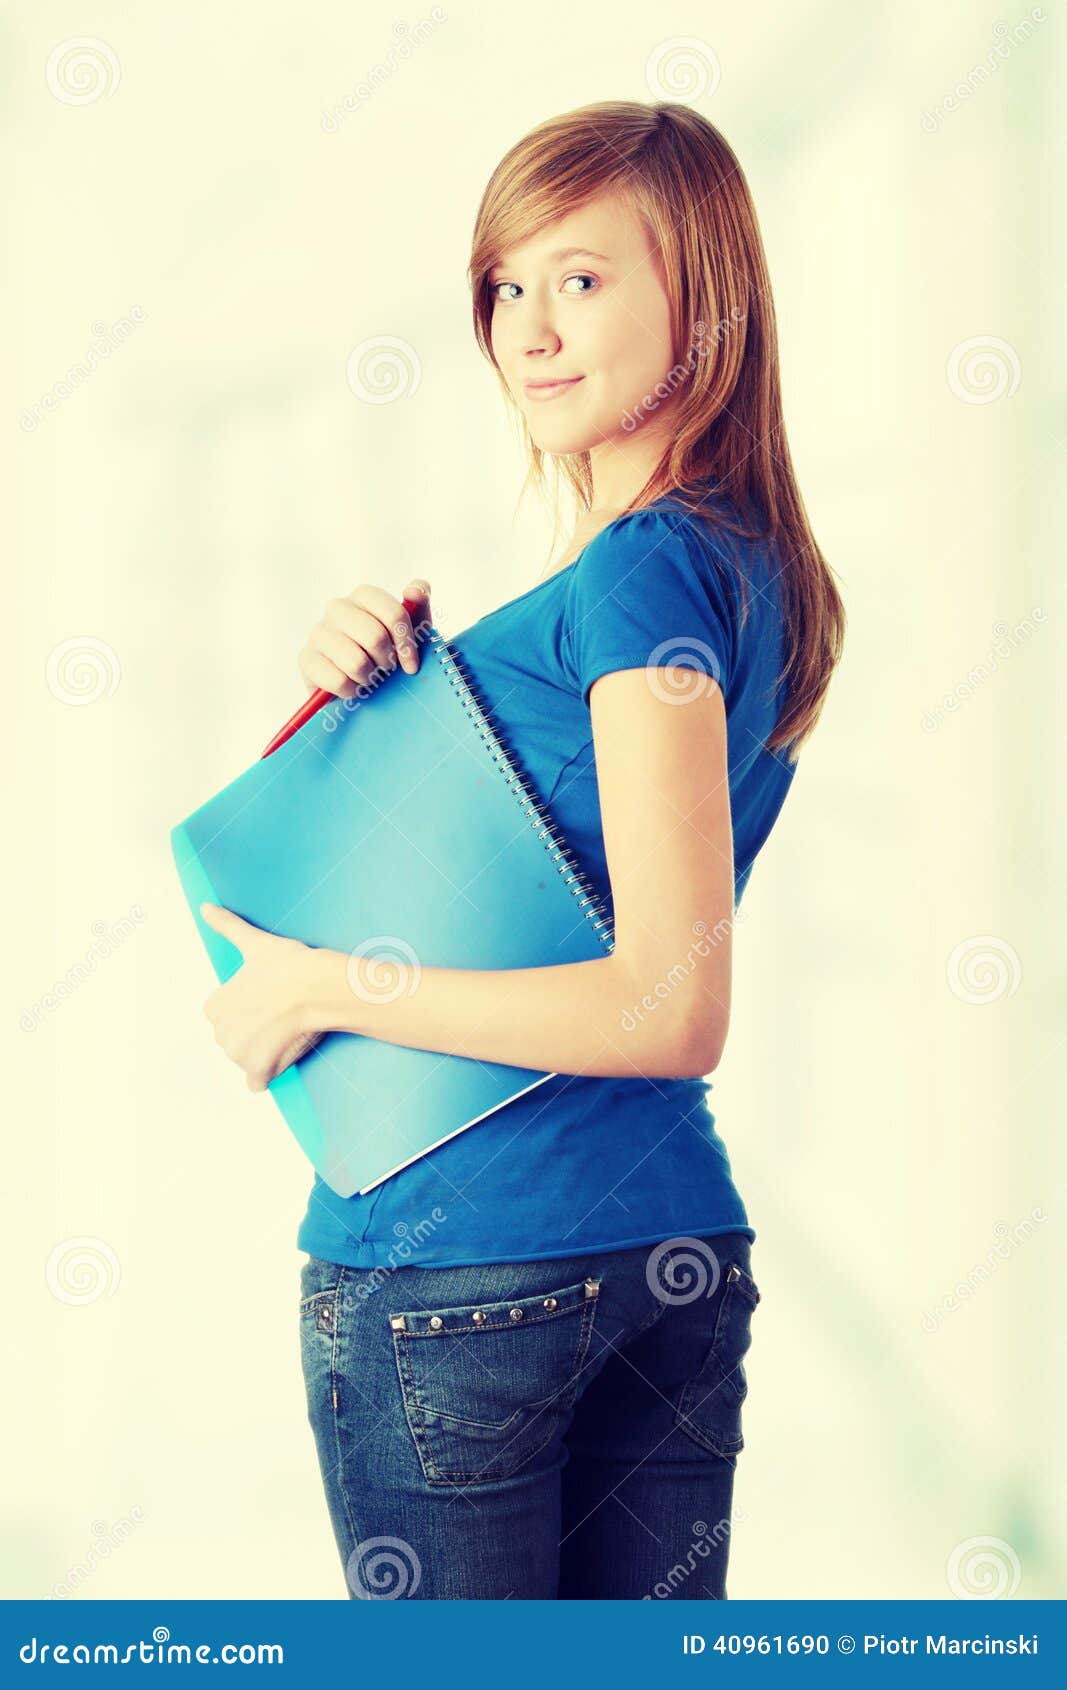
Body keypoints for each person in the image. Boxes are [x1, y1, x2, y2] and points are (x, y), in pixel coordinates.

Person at [200, 99, 846, 1600]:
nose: (530, 330)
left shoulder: (639, 580)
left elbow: (665, 1000)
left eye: (584, 279)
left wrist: (324, 987)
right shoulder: (744, 573)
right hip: (656, 1251)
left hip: (465, 1266)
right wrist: (369, 709)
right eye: (506, 285)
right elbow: (537, 884)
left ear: (709, 300)